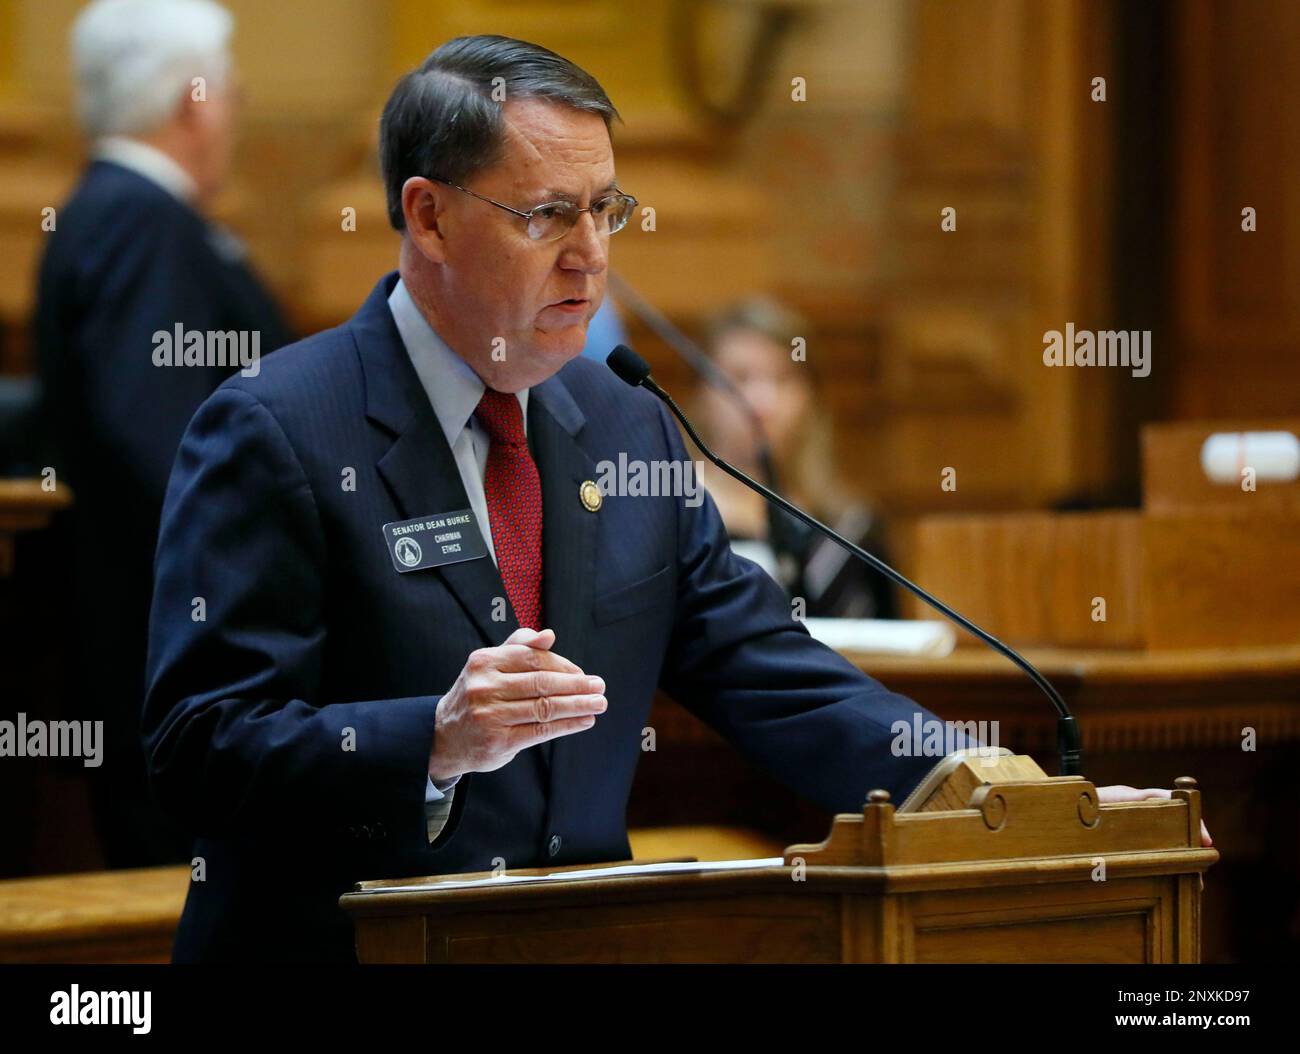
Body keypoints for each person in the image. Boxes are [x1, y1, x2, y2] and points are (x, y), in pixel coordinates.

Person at [142, 34, 1209, 963]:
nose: (592, 257)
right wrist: (430, 737)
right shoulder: (277, 426)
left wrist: (979, 783)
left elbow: (762, 666)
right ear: (426, 216)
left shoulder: (623, 424)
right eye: (548, 215)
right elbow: (197, 745)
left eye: (607, 209)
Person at [35, 0, 293, 867]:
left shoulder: (113, 210)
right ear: (192, 101)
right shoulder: (141, 220)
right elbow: (162, 435)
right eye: (228, 93)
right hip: (186, 646)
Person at [694, 296, 896, 618]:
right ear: (703, 392)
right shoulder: (673, 512)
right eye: (740, 378)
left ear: (810, 397)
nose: (762, 402)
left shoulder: (849, 530)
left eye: (783, 379)